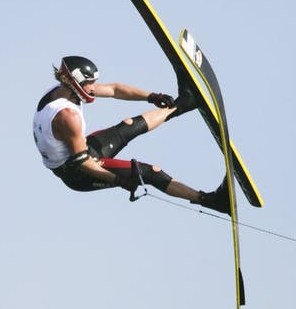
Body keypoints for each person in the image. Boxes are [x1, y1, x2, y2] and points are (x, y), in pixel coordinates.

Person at [33, 56, 230, 213]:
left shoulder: (64, 90)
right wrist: (116, 180)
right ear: (74, 82)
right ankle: (211, 201)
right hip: (77, 172)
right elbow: (82, 163)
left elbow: (114, 89)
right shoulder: (67, 116)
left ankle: (185, 102)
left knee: (128, 126)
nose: (93, 88)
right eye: (89, 83)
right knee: (149, 172)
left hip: (81, 151)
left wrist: (152, 96)